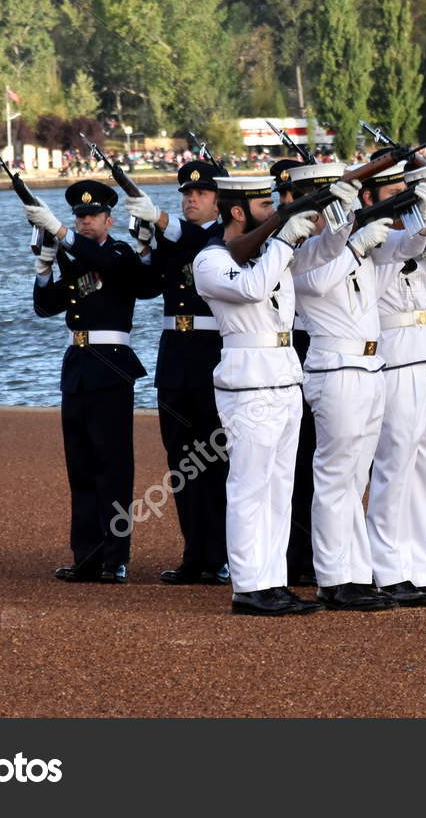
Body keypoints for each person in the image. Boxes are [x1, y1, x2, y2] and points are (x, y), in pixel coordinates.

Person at [193, 175, 323, 615]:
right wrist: (283, 240)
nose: (272, 210)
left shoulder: (270, 254)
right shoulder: (209, 261)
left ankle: (274, 580)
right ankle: (249, 586)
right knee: (249, 486)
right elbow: (250, 289)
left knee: (279, 488)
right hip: (247, 385)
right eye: (263, 205)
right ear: (238, 211)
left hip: (285, 379)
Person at [24, 180, 161, 583]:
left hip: (112, 366)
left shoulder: (119, 253)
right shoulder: (76, 259)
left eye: (91, 217)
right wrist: (45, 268)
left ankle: (115, 558)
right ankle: (86, 555)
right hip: (78, 367)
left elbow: (114, 269)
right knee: (81, 468)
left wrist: (62, 234)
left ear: (108, 219)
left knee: (113, 468)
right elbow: (45, 307)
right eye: (78, 218)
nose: (84, 222)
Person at [288, 161, 399, 611]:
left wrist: (421, 212)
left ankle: (355, 570)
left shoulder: (349, 239)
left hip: (370, 365)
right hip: (334, 367)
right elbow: (311, 283)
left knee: (357, 476)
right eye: (330, 202)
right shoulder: (300, 247)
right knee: (335, 476)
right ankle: (334, 578)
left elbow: (408, 246)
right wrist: (352, 245)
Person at [125, 159, 231, 585]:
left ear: (219, 201)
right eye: (186, 193)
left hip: (211, 353)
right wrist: (146, 247)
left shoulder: (224, 237)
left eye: (201, 193)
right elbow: (148, 286)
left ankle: (222, 554)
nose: (191, 199)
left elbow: (199, 243)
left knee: (217, 459)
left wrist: (162, 222)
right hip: (175, 354)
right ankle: (195, 554)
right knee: (183, 459)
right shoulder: (174, 237)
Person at [358, 158, 426, 607]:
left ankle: (418, 566)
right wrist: (421, 221)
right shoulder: (371, 242)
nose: (400, 199)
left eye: (403, 191)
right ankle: (387, 568)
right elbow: (402, 249)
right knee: (395, 467)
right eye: (391, 193)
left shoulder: (404, 237)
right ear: (370, 199)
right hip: (395, 358)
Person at [271, 158, 319, 586]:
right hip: (286, 347)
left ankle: (309, 555)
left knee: (313, 459)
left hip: (315, 343)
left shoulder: (318, 233)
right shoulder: (272, 235)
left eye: (294, 195)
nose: (286, 202)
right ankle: (285, 557)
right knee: (288, 458)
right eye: (282, 194)